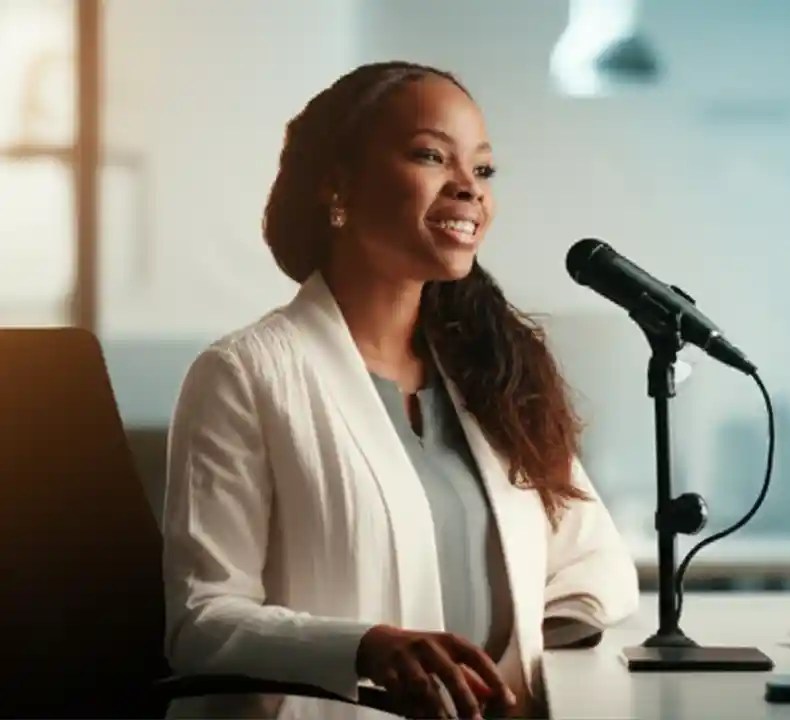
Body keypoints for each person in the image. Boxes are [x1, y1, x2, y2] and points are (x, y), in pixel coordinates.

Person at [160, 61, 640, 719]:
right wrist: (367, 648)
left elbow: (596, 566)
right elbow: (200, 622)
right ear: (339, 185)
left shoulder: (491, 375)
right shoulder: (245, 374)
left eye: (484, 169)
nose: (469, 189)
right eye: (430, 156)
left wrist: (515, 665)